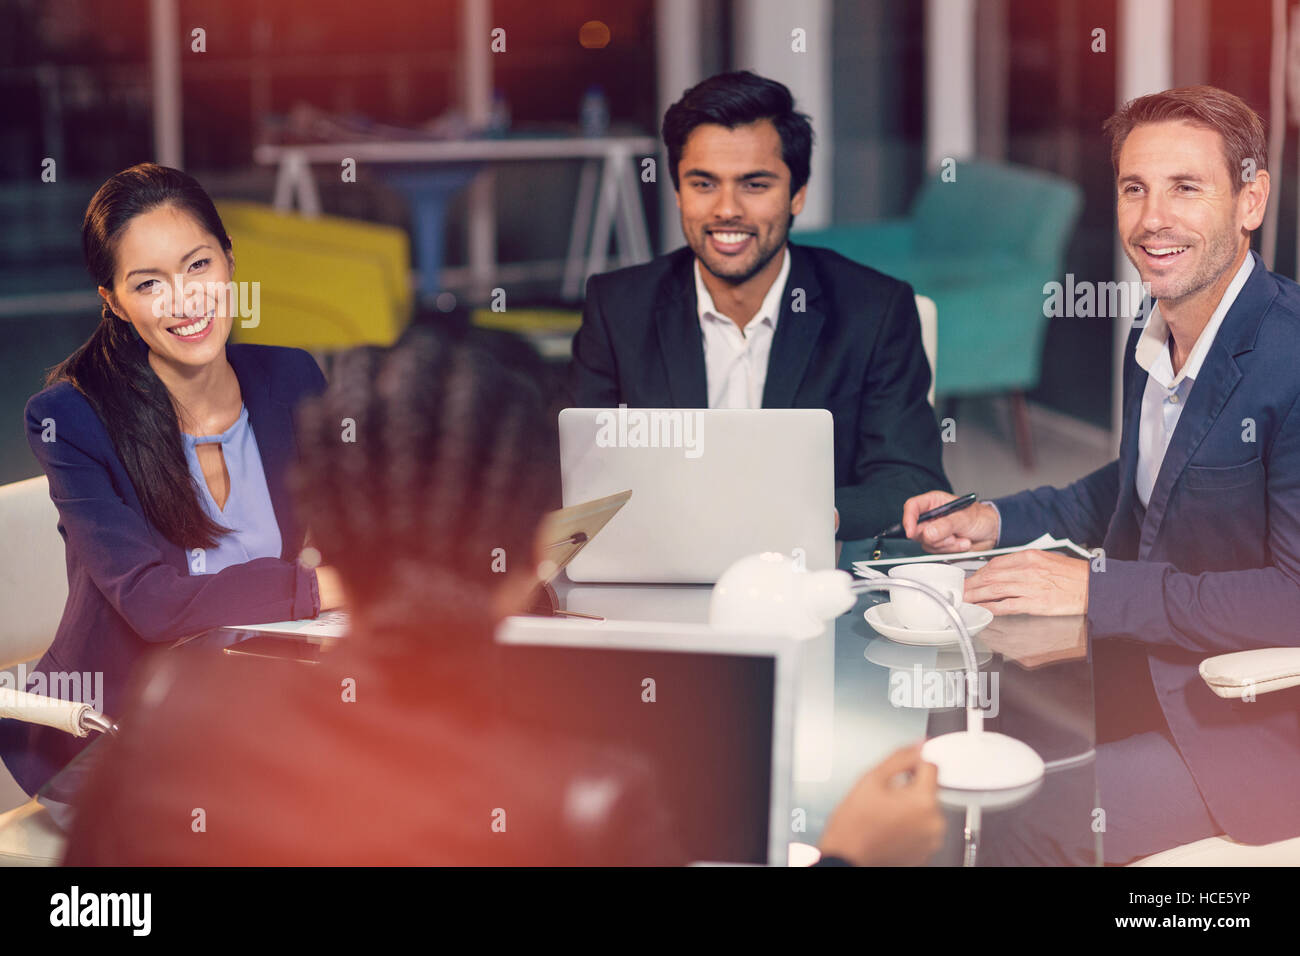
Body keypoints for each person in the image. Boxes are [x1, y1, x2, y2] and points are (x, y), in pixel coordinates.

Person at [64, 328, 944, 866]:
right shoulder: (588, 803)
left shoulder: (176, 716)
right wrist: (849, 859)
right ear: (534, 554)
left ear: (325, 535)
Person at [901, 87, 1300, 862]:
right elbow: (1141, 484)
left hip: (1256, 730)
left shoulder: (1292, 359)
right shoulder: (1154, 337)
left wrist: (1092, 589)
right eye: (1134, 188)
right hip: (1140, 675)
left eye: (1187, 187)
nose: (1153, 218)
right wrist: (995, 517)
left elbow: (1295, 599)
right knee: (941, 738)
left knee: (1013, 816)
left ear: (1250, 200)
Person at [0, 163, 343, 800]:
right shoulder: (69, 420)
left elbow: (360, 524)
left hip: (255, 706)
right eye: (149, 283)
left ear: (230, 262)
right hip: (113, 734)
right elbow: (154, 604)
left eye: (197, 266)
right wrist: (319, 585)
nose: (184, 301)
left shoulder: (292, 381)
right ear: (115, 303)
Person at [568, 70, 950, 542]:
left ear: (797, 195)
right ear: (677, 192)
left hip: (809, 574)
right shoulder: (617, 307)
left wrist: (806, 518)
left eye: (754, 185)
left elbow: (912, 484)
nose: (727, 209)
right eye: (703, 184)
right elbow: (582, 476)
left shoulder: (875, 310)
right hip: (661, 561)